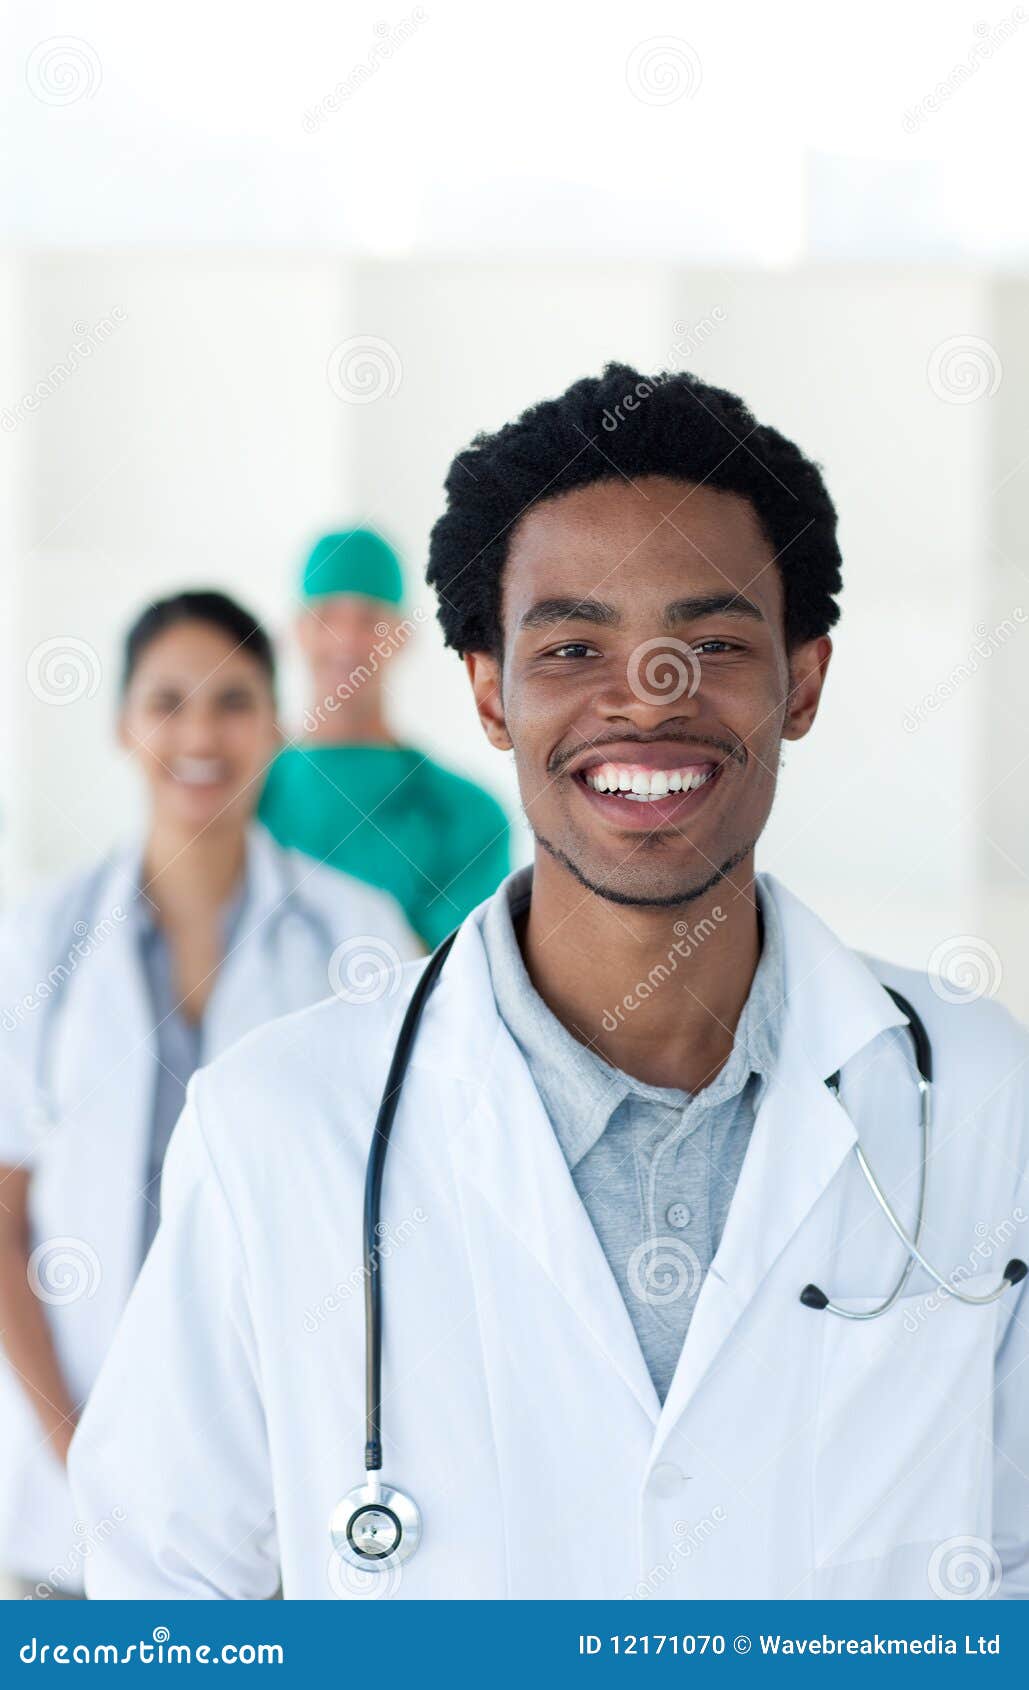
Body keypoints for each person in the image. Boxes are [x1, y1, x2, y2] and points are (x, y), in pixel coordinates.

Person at [70, 369, 1029, 1600]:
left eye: (715, 641)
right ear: (488, 690)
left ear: (803, 680)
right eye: (575, 645)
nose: (651, 694)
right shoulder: (279, 1123)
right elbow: (166, 1599)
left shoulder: (984, 1099)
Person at [0, 590, 417, 1599]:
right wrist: (79, 1449)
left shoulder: (357, 933)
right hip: (60, 1522)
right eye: (168, 700)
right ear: (124, 725)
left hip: (284, 1502)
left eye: (232, 701)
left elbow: (404, 1210)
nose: (199, 732)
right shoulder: (36, 940)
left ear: (274, 725)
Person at [258, 527, 511, 946]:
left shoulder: (467, 816)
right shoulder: (245, 798)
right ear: (297, 632)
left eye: (369, 621)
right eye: (327, 618)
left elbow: (452, 989)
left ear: (402, 636)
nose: (346, 640)